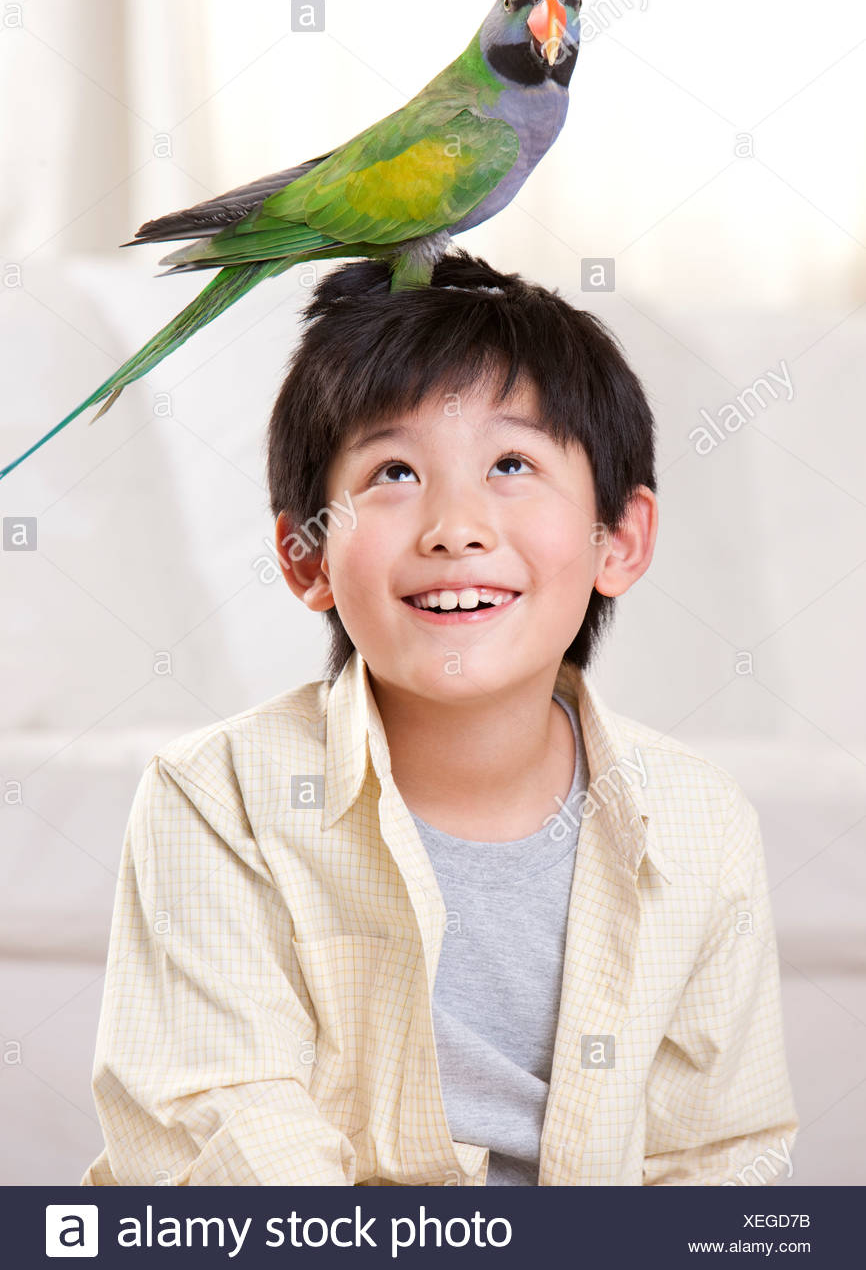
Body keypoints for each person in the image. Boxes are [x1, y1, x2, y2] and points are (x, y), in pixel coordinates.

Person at [81, 251, 798, 1186]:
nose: (454, 526)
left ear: (617, 539)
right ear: (307, 558)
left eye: (511, 463)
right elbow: (223, 1128)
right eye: (392, 472)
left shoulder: (699, 825)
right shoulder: (220, 801)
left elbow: (719, 1156)